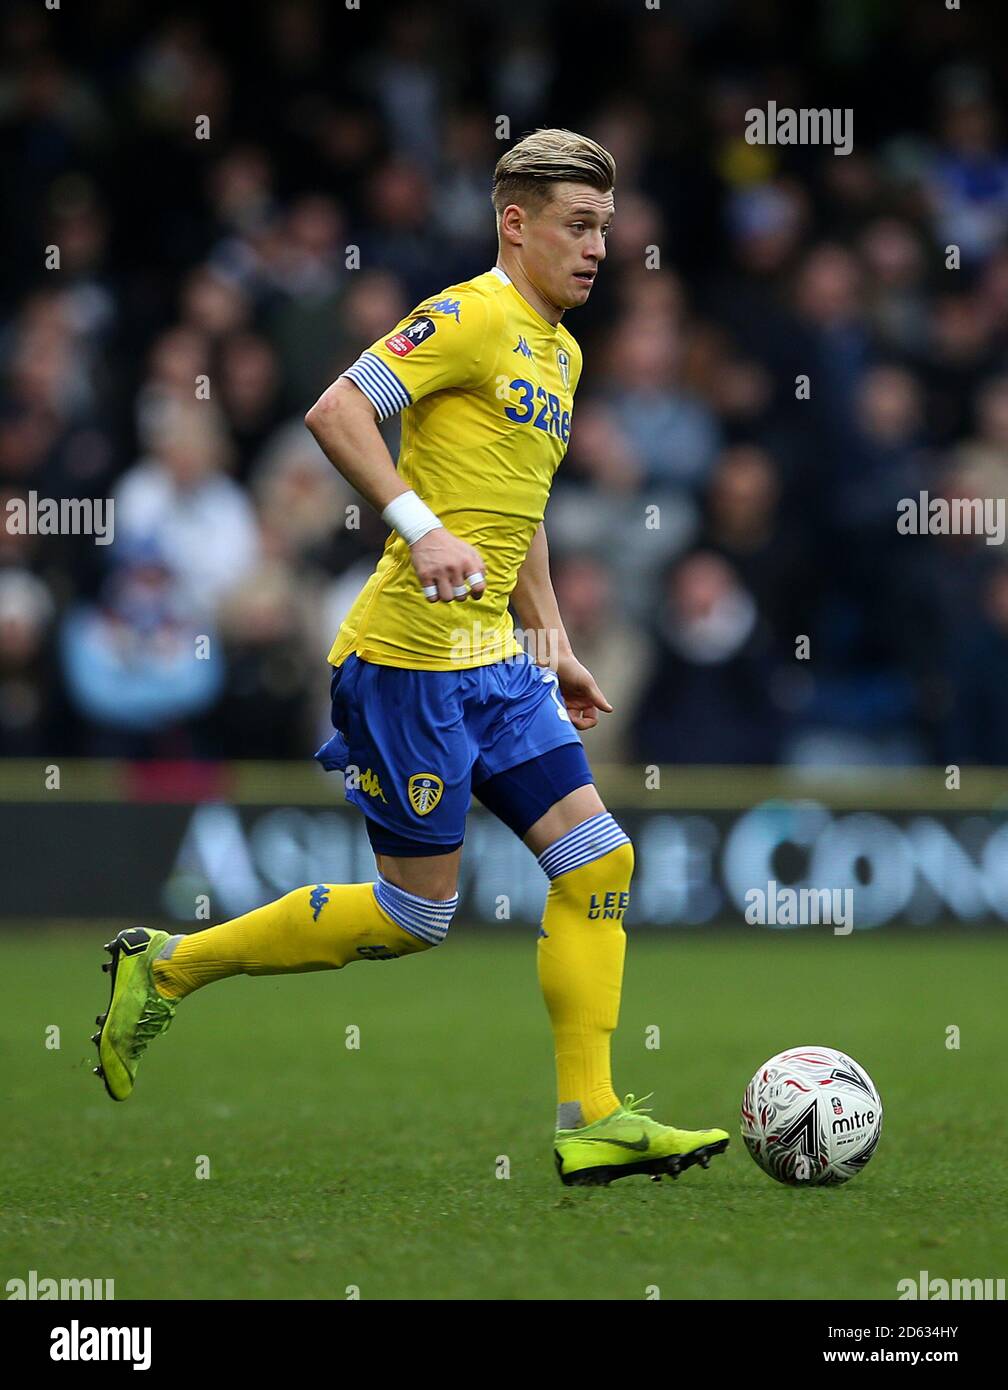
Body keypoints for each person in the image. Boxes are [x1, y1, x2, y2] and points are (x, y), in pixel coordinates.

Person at [92, 128, 728, 1187]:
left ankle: (593, 1117)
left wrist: (553, 637)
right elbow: (335, 409)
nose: (598, 249)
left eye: (606, 229)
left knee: (598, 858)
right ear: (514, 224)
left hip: (498, 661)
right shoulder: (469, 315)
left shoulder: (561, 352)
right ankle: (165, 967)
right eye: (578, 226)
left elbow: (518, 511)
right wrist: (415, 520)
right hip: (406, 660)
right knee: (413, 914)